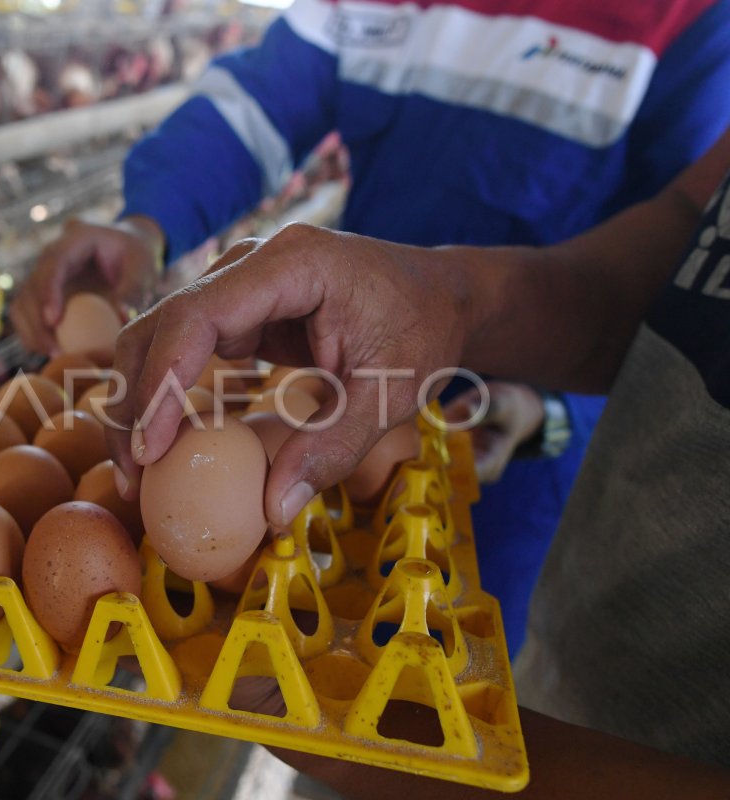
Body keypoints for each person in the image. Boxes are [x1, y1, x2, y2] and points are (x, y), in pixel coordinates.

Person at [11, 0, 730, 656]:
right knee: (326, 685)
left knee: (454, 691)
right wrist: (147, 221)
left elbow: (679, 274)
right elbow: (262, 99)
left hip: (507, 454)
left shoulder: (691, 23)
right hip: (335, 393)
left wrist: (554, 415)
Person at [102, 121, 730, 794]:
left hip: (520, 737)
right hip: (565, 655)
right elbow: (685, 238)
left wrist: (433, 758)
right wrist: (454, 299)